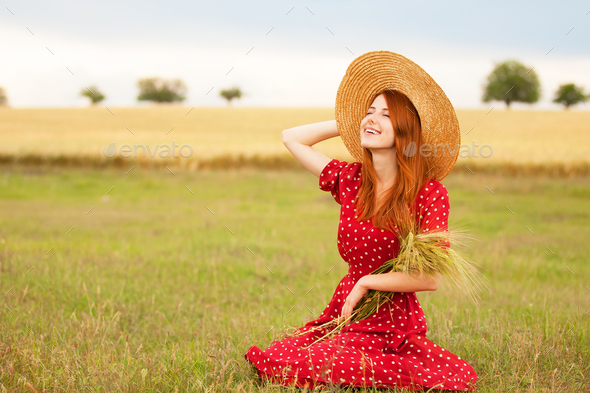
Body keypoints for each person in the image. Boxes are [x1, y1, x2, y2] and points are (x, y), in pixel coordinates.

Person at [244, 51, 478, 391]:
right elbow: (291, 137)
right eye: (369, 111)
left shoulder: (427, 193)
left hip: (392, 320)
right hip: (345, 311)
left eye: (386, 115)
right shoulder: (351, 178)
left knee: (329, 363)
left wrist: (367, 282)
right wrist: (352, 119)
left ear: (405, 131)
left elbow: (429, 278)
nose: (373, 119)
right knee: (284, 355)